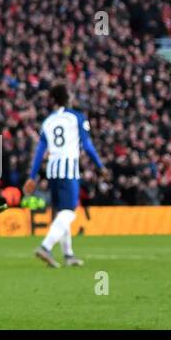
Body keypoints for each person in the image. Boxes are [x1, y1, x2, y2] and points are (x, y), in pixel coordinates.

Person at [24, 84, 107, 268]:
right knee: (69, 213)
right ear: (67, 97)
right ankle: (45, 247)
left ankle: (68, 255)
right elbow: (87, 145)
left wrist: (32, 176)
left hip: (52, 170)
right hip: (68, 169)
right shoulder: (76, 117)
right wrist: (100, 166)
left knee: (61, 214)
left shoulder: (48, 121)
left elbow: (40, 151)